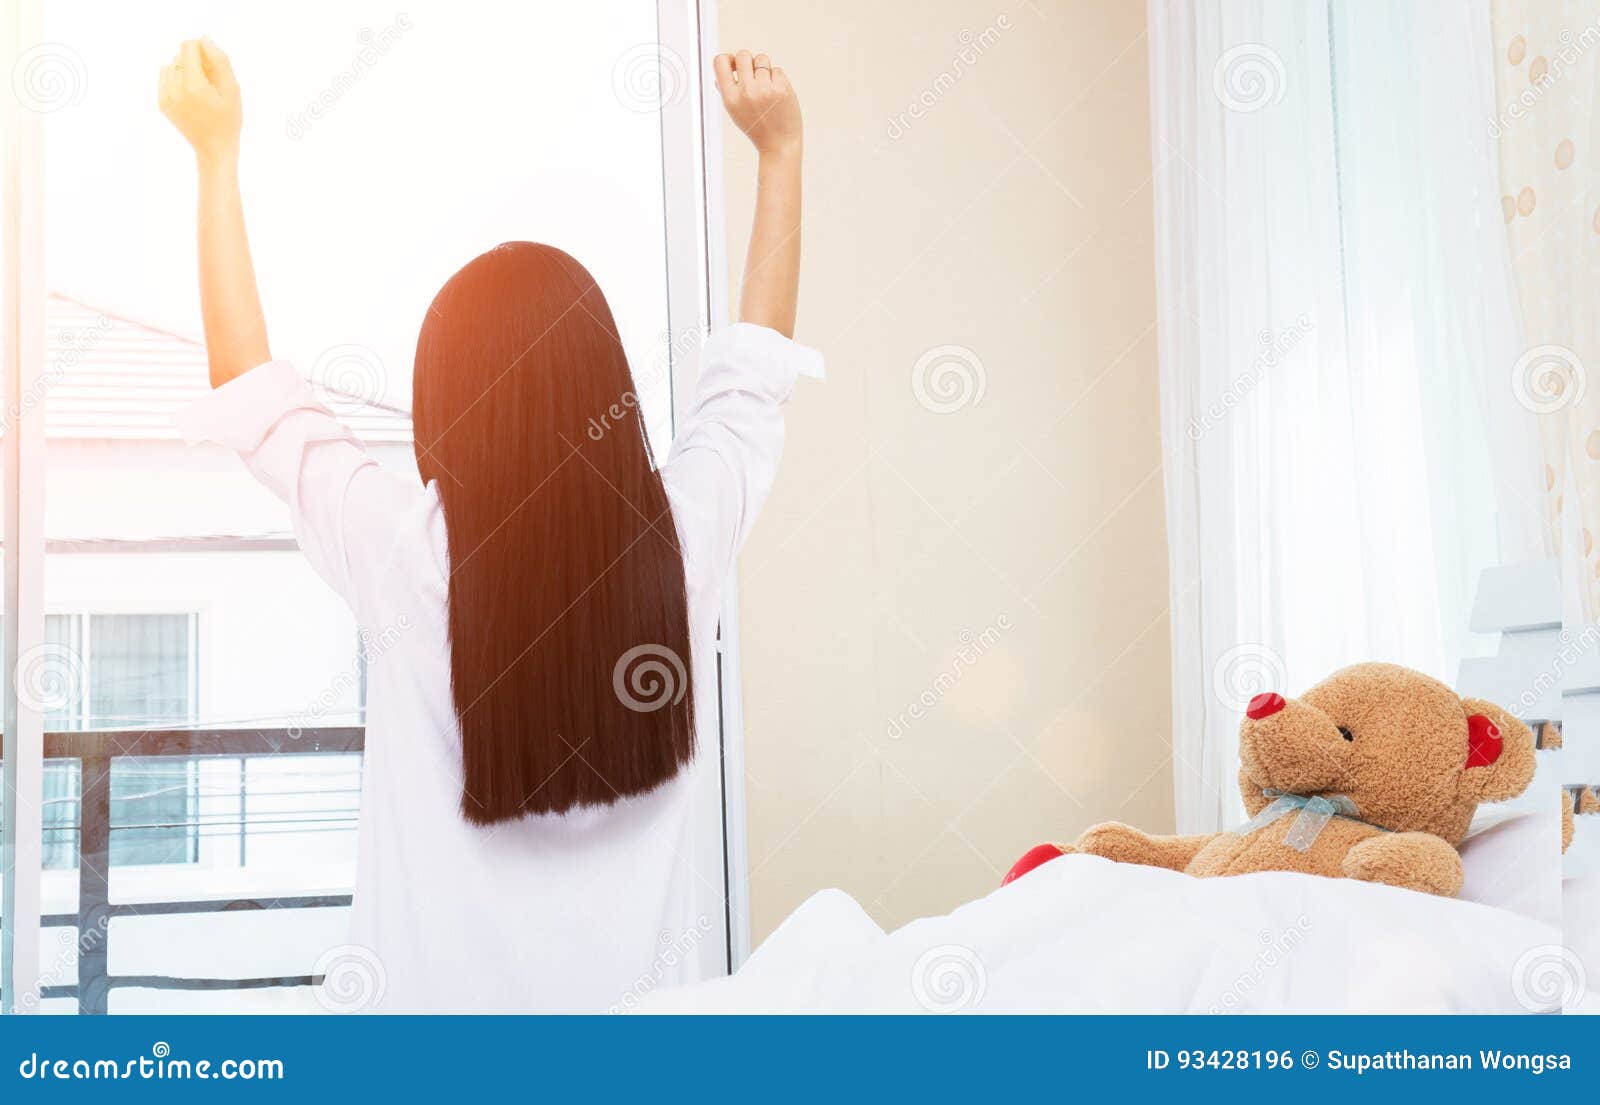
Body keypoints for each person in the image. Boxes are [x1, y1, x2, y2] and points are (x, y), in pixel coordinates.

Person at [159, 38, 819, 1011]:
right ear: (611, 390)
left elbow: (252, 391)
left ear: (443, 407)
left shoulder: (400, 549)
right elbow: (751, 379)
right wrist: (781, 154)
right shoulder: (678, 537)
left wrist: (215, 157)